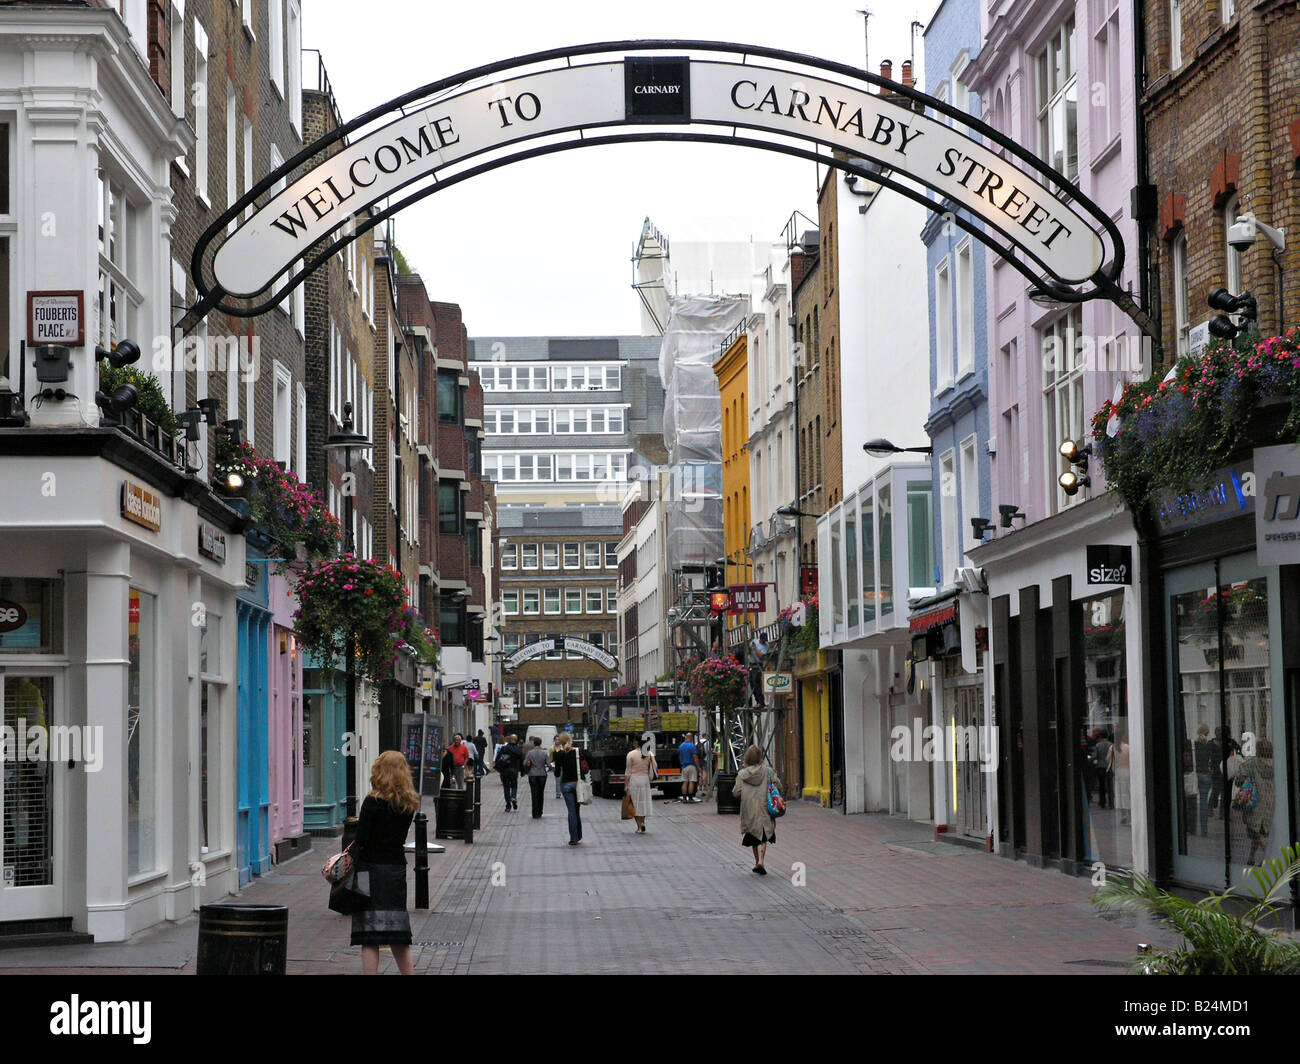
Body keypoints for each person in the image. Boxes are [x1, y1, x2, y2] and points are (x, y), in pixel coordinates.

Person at [350, 750, 419, 975]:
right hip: (395, 869)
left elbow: (361, 839)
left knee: (369, 936)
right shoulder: (408, 804)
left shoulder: (372, 802)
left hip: (369, 869)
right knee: (398, 932)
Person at [733, 744, 779, 875]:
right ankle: (761, 861)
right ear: (760, 757)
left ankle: (757, 862)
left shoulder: (742, 774)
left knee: (753, 837)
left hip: (749, 809)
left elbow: (736, 792)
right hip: (765, 807)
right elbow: (777, 785)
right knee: (763, 836)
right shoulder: (768, 771)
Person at [1233, 739, 1275, 866]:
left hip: (1255, 803)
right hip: (1273, 803)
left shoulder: (1251, 764)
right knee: (1260, 831)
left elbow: (1238, 780)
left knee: (1257, 832)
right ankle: (1251, 857)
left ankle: (1270, 857)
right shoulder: (1278, 763)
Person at [553, 732, 589, 845]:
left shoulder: (558, 754)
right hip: (578, 784)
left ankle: (573, 837)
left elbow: (557, 773)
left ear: (561, 742)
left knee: (571, 811)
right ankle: (578, 835)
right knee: (577, 810)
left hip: (566, 785)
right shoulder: (580, 751)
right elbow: (590, 764)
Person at [624, 737, 657, 834]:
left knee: (635, 803)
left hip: (634, 779)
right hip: (645, 780)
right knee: (643, 802)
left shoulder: (631, 754)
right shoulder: (649, 754)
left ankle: (638, 827)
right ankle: (643, 822)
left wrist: (626, 785)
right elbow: (655, 766)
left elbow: (628, 771)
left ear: (636, 742)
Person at [494, 733, 523, 811]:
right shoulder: (518, 750)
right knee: (514, 785)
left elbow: (497, 759)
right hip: (514, 770)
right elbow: (522, 761)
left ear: (509, 740)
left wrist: (499, 768)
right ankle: (513, 797)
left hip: (505, 771)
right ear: (516, 740)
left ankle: (508, 805)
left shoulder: (504, 748)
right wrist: (523, 771)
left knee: (506, 787)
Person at [1193, 724, 1213, 834]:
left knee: (1192, 801)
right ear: (1207, 733)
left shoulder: (1194, 745)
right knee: (1203, 802)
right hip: (1206, 774)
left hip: (1196, 774)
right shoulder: (1208, 746)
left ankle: (1192, 827)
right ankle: (1204, 829)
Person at [523, 736, 550, 818]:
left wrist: (529, 764)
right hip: (542, 774)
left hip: (532, 774)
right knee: (541, 793)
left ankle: (534, 812)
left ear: (534, 743)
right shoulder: (544, 753)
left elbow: (524, 763)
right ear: (540, 743)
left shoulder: (530, 753)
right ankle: (540, 811)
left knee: (534, 793)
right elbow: (548, 764)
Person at [677, 732, 700, 803]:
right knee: (691, 782)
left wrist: (682, 763)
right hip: (691, 766)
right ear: (691, 738)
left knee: (685, 782)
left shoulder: (681, 746)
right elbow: (695, 757)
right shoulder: (692, 746)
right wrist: (698, 767)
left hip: (684, 766)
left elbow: (680, 757)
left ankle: (684, 798)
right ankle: (690, 798)